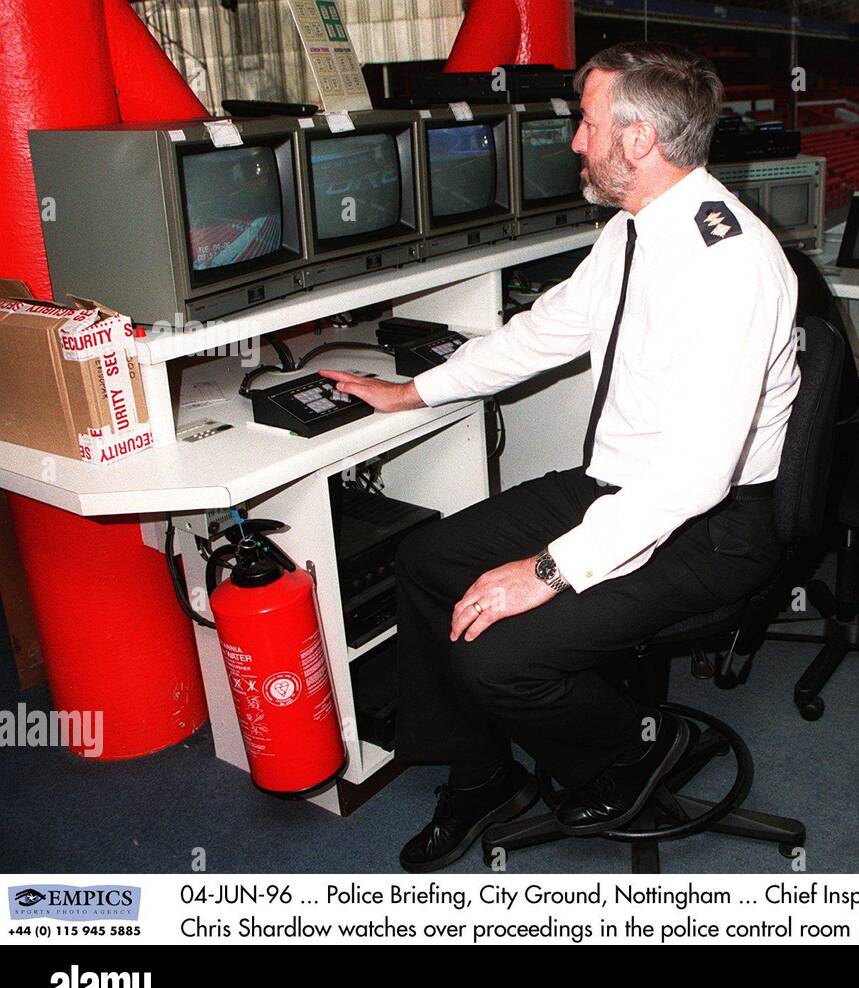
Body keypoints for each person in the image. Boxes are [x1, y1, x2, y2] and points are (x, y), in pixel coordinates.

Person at [322, 40, 800, 872]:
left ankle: (646, 744)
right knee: (430, 560)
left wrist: (544, 571)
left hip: (712, 524)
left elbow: (692, 475)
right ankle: (482, 779)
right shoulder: (633, 231)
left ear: (640, 140)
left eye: (586, 123)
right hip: (621, 488)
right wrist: (415, 391)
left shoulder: (731, 267)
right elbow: (544, 331)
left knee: (503, 654)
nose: (576, 142)